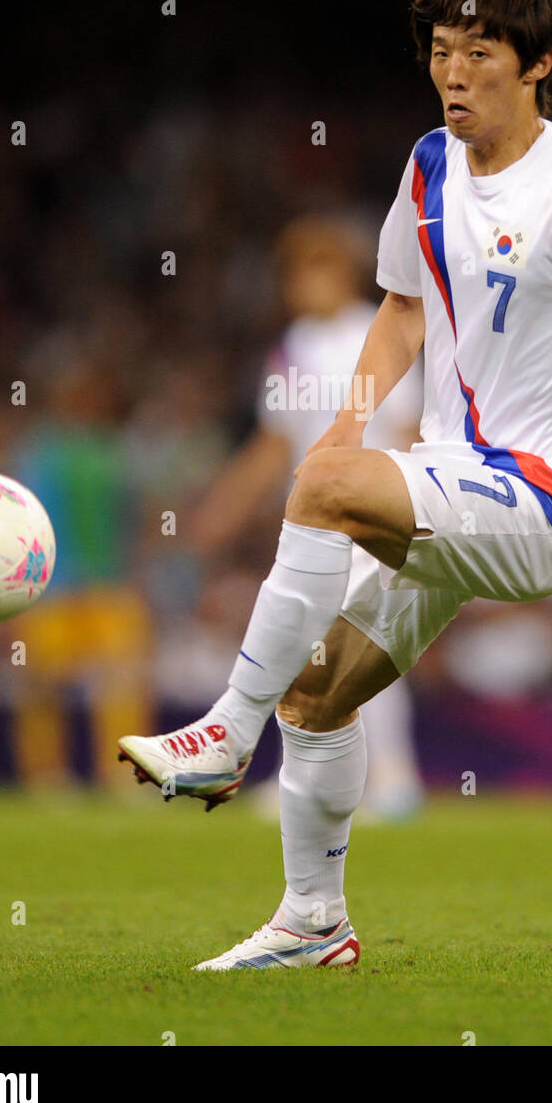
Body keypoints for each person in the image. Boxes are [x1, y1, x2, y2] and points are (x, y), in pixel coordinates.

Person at [118, 0, 552, 970]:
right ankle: (312, 923)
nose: (452, 73)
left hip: (543, 499)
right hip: (454, 477)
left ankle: (223, 735)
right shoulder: (429, 165)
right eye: (441, 52)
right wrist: (346, 419)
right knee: (319, 696)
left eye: (477, 53)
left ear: (534, 65)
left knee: (320, 489)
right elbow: (402, 310)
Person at [186, 214, 425, 819]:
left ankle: (393, 777)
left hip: (372, 509)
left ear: (344, 273)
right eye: (294, 270)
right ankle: (315, 779)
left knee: (362, 640)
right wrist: (222, 508)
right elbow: (274, 444)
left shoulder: (374, 336)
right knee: (308, 644)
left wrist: (404, 516)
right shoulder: (291, 347)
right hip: (314, 520)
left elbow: (406, 430)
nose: (302, 281)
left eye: (316, 267)